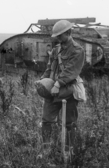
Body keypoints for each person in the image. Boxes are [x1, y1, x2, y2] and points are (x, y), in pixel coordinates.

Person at [35, 20, 86, 155]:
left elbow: (71, 71)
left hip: (68, 90)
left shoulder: (78, 51)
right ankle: (46, 149)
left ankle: (68, 152)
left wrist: (58, 84)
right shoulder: (57, 50)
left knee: (69, 123)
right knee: (46, 120)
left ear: (68, 33)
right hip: (53, 90)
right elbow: (49, 67)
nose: (58, 38)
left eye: (60, 35)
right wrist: (42, 81)